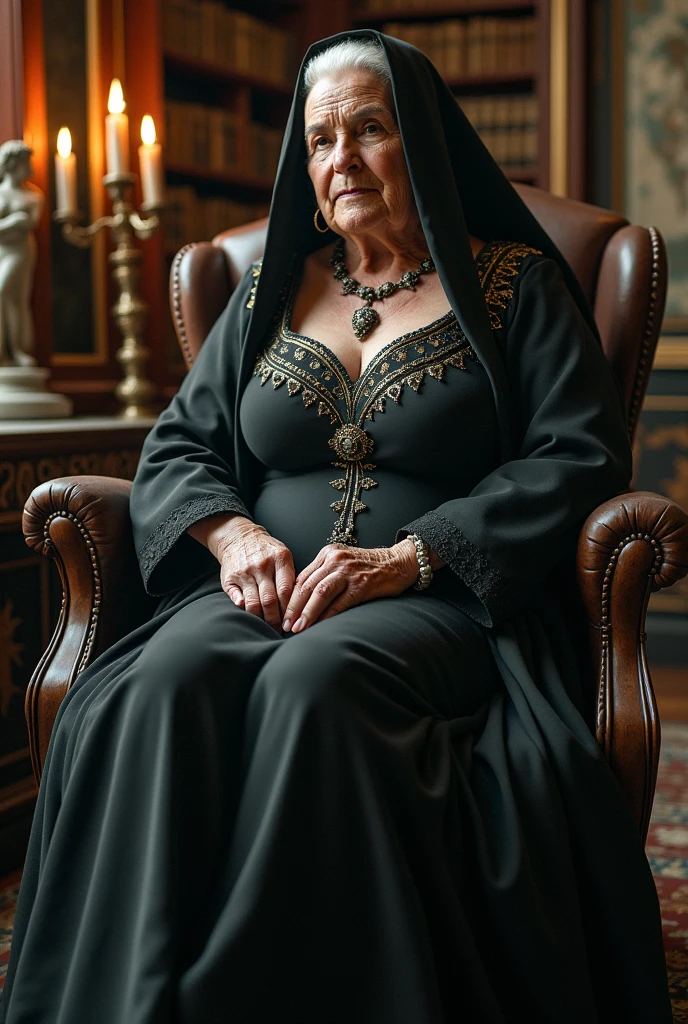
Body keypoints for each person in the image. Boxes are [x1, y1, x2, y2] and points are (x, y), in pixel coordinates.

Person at [0, 31, 672, 1024]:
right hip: (259, 593)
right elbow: (180, 445)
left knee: (318, 686)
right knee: (159, 685)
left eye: (368, 129)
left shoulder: (517, 288)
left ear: (425, 144)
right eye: (318, 140)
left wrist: (412, 556)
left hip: (439, 606)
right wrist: (234, 538)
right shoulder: (273, 291)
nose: (340, 159)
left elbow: (576, 457)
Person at [0, 141, 43, 366]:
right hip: (1, 249)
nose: (29, 168)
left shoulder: (34, 196)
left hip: (20, 250)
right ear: (12, 165)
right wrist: (13, 222)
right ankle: (4, 354)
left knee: (14, 297)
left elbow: (30, 225)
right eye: (25, 163)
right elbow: (17, 224)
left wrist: (12, 225)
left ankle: (16, 349)